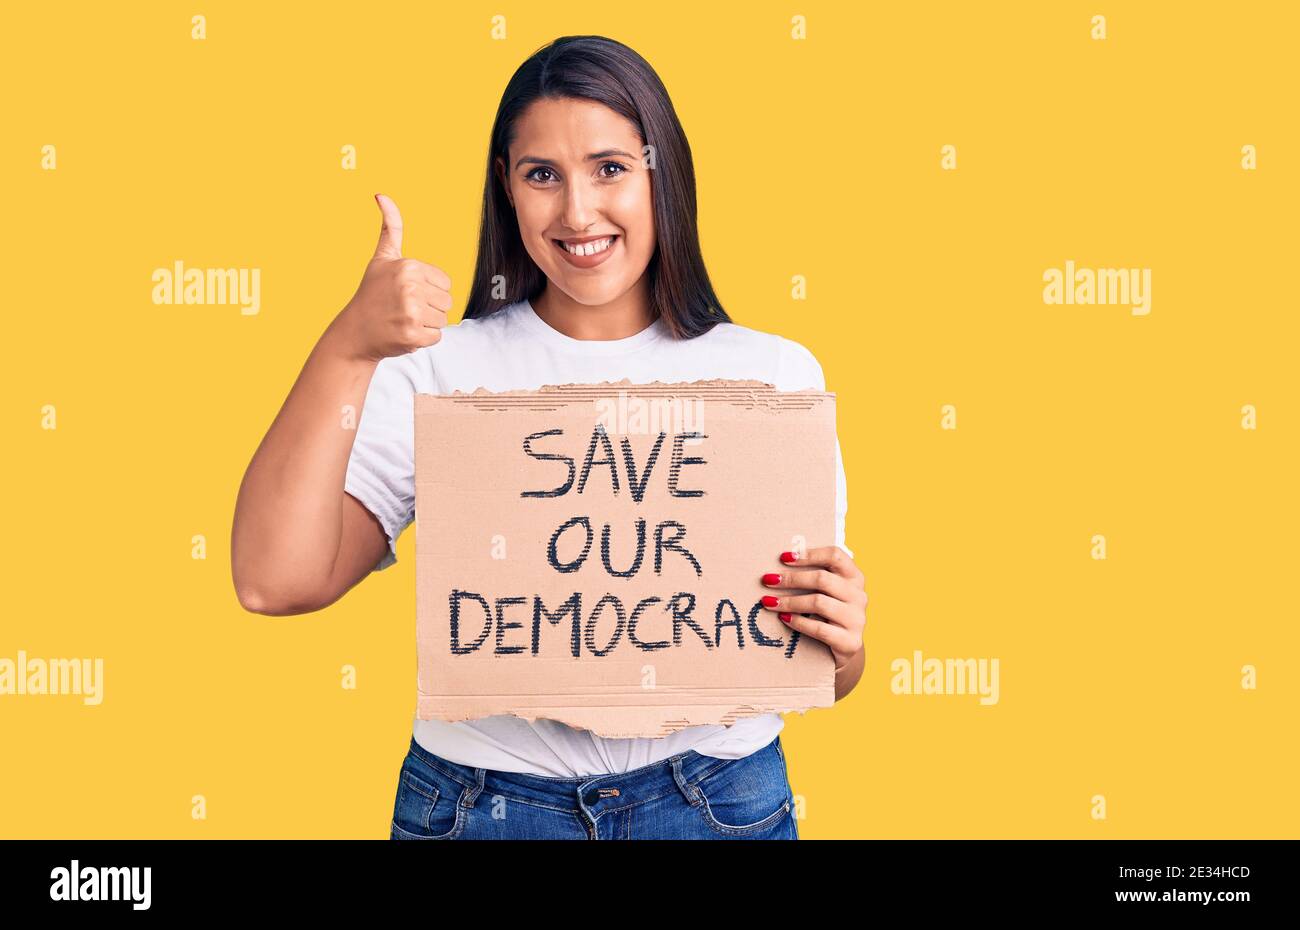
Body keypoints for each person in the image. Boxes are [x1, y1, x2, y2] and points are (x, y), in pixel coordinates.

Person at [231, 35, 867, 840]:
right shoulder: (436, 369)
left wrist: (842, 646)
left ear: (659, 172)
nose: (576, 212)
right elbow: (273, 580)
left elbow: (820, 670)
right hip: (483, 806)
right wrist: (349, 345)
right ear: (507, 186)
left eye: (610, 168)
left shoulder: (773, 378)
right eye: (543, 175)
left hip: (715, 804)